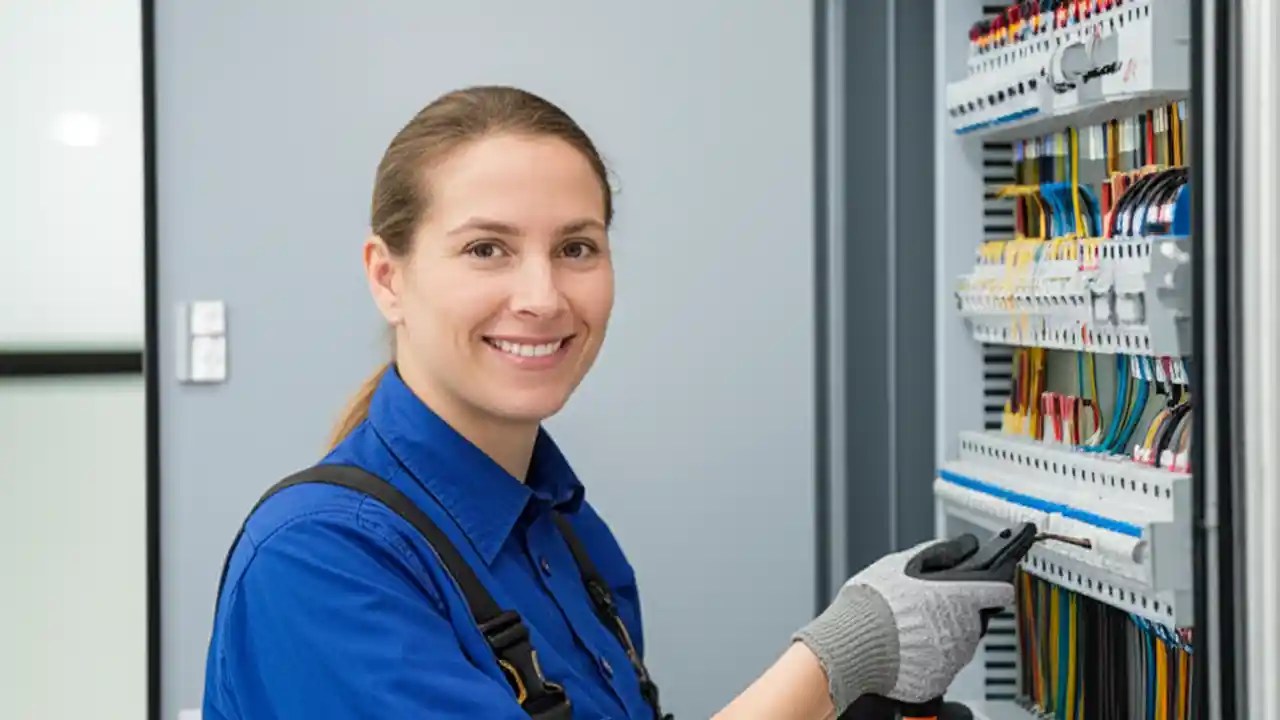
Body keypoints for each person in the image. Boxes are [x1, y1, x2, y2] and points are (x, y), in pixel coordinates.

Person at [202, 85, 1014, 720]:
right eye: (488, 249)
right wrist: (835, 661)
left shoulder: (567, 533)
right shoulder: (317, 563)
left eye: (576, 248)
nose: (543, 295)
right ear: (389, 277)